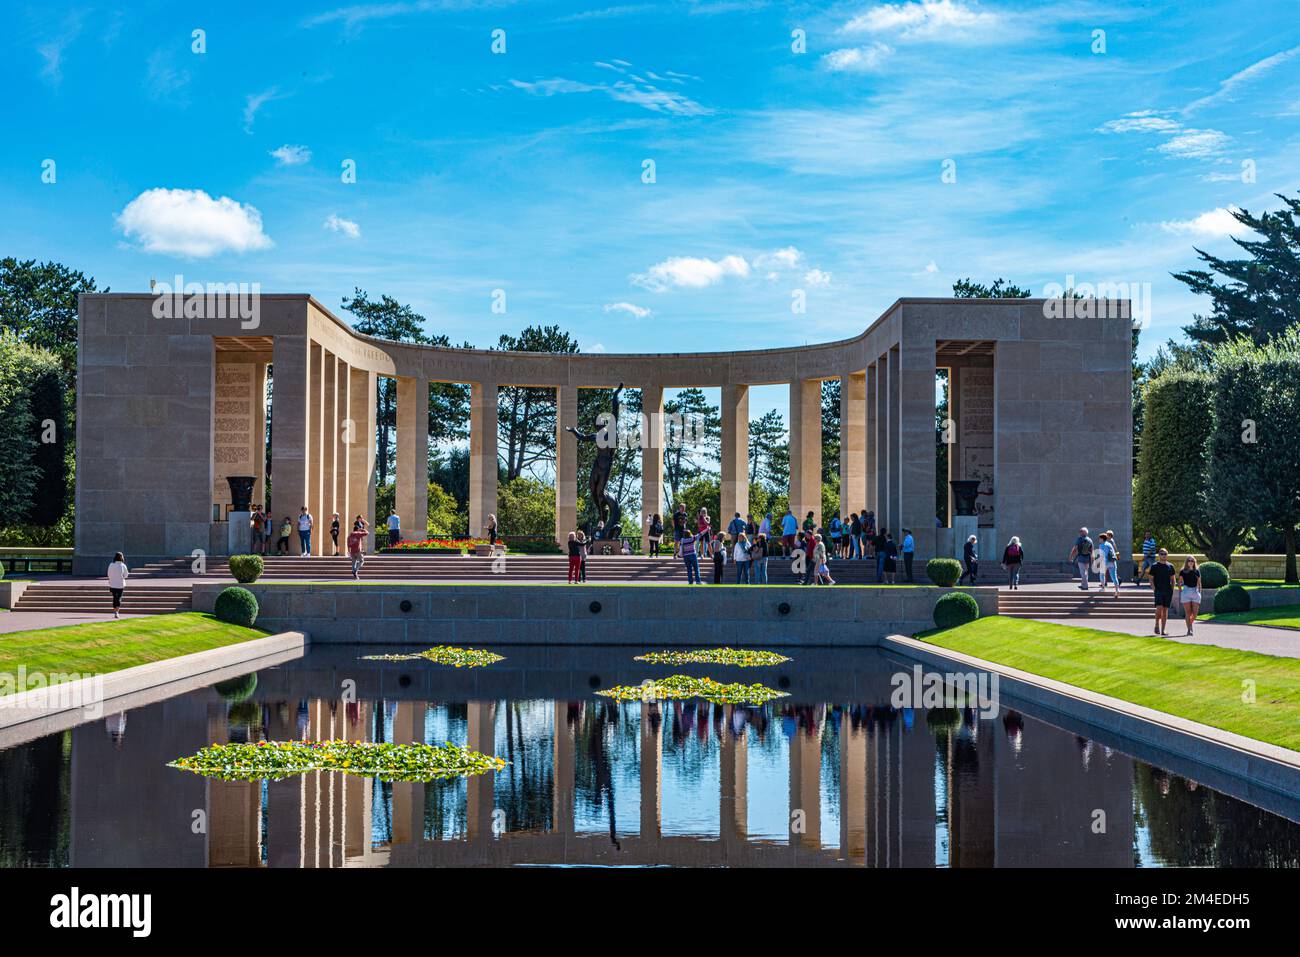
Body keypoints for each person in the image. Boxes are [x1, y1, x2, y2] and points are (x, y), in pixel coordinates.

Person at [1149, 548, 1176, 635]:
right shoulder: (1154, 566)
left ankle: (1163, 630)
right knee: (1159, 608)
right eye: (1162, 554)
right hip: (1158, 590)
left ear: (1167, 555)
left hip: (1168, 591)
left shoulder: (1170, 566)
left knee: (1165, 610)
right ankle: (1157, 624)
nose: (1163, 555)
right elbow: (1151, 579)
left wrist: (1171, 589)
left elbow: (1173, 579)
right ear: (1159, 555)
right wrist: (1154, 589)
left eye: (1165, 554)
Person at [1179, 556, 1203, 636]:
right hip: (1186, 591)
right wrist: (1181, 591)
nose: (1190, 562)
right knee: (1188, 612)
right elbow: (1179, 582)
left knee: (1195, 613)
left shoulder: (1197, 571)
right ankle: (1189, 629)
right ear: (1186, 562)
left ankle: (1190, 624)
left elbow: (1199, 583)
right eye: (1189, 560)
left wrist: (1199, 592)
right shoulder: (1182, 571)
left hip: (1195, 591)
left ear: (1194, 562)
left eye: (1192, 560)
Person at [1068, 527, 1094, 591]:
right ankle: (1083, 585)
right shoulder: (1090, 540)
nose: (1079, 532)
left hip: (1081, 558)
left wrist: (1071, 556)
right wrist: (1092, 559)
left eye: (1080, 531)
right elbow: (1092, 550)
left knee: (1083, 573)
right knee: (1086, 572)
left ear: (1082, 532)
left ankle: (1085, 586)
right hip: (1087, 558)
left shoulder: (1079, 539)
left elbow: (1075, 548)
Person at [107, 551, 129, 619]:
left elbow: (108, 574)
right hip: (120, 585)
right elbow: (126, 575)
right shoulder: (123, 565)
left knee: (115, 598)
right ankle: (117, 612)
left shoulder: (111, 565)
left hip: (113, 584)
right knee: (118, 598)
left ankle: (115, 611)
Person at [1097, 532, 1119, 597]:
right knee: (1114, 576)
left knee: (1101, 574)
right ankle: (1117, 590)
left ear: (1102, 539)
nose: (1098, 540)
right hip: (1112, 562)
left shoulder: (1101, 545)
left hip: (1105, 562)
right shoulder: (1109, 544)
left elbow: (1104, 555)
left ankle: (1103, 588)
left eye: (1099, 538)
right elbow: (1113, 553)